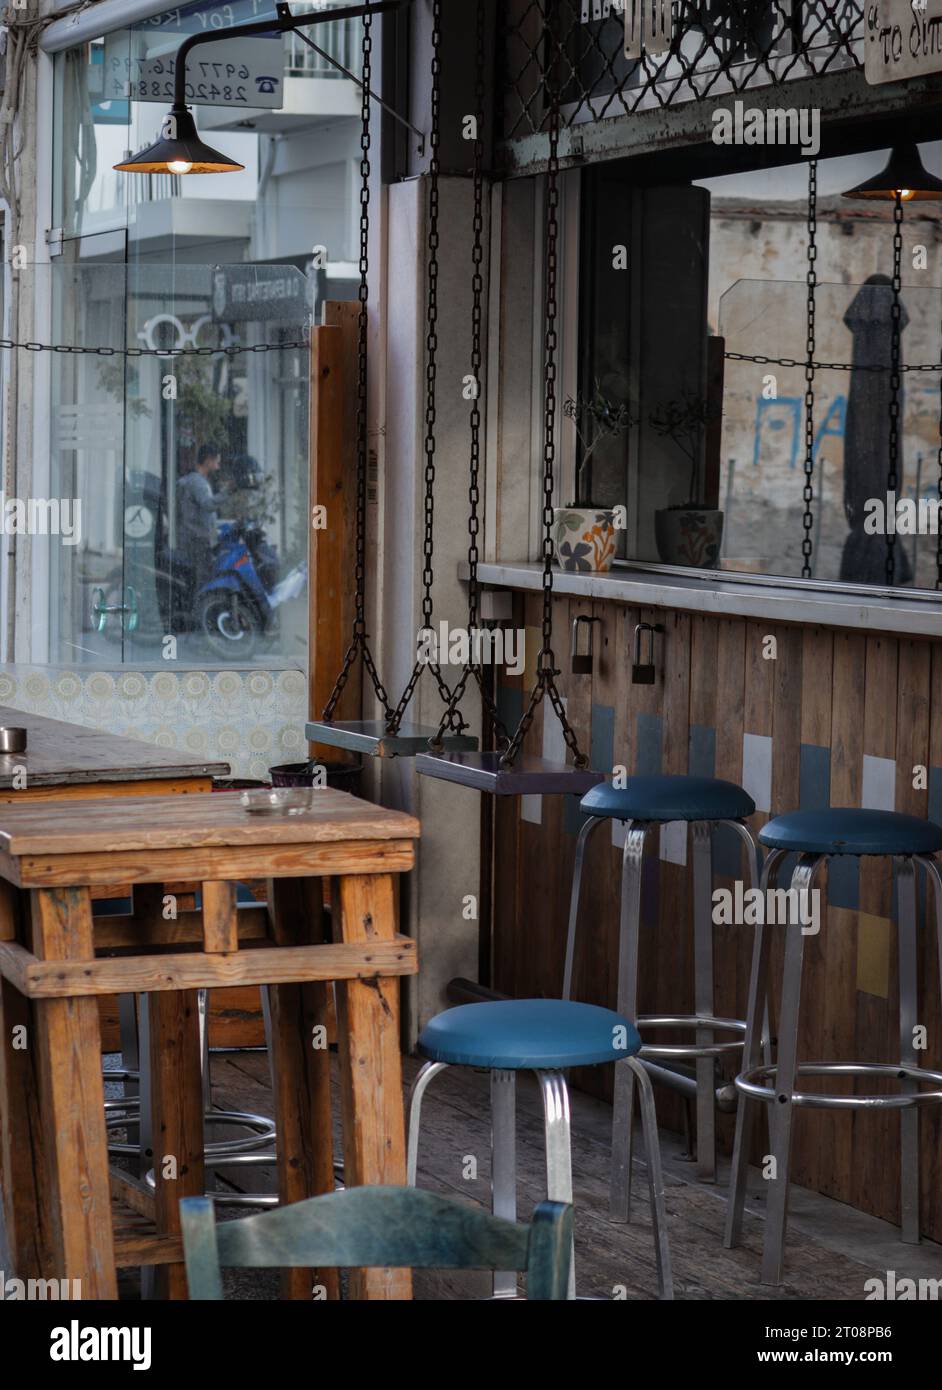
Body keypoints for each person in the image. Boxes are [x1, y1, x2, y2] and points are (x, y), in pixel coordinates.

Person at [177, 443, 226, 607]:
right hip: (197, 539)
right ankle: (199, 614)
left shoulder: (197, 481)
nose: (218, 466)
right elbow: (207, 505)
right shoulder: (197, 482)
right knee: (202, 579)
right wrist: (228, 493)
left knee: (199, 578)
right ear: (208, 461)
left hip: (194, 537)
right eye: (216, 461)